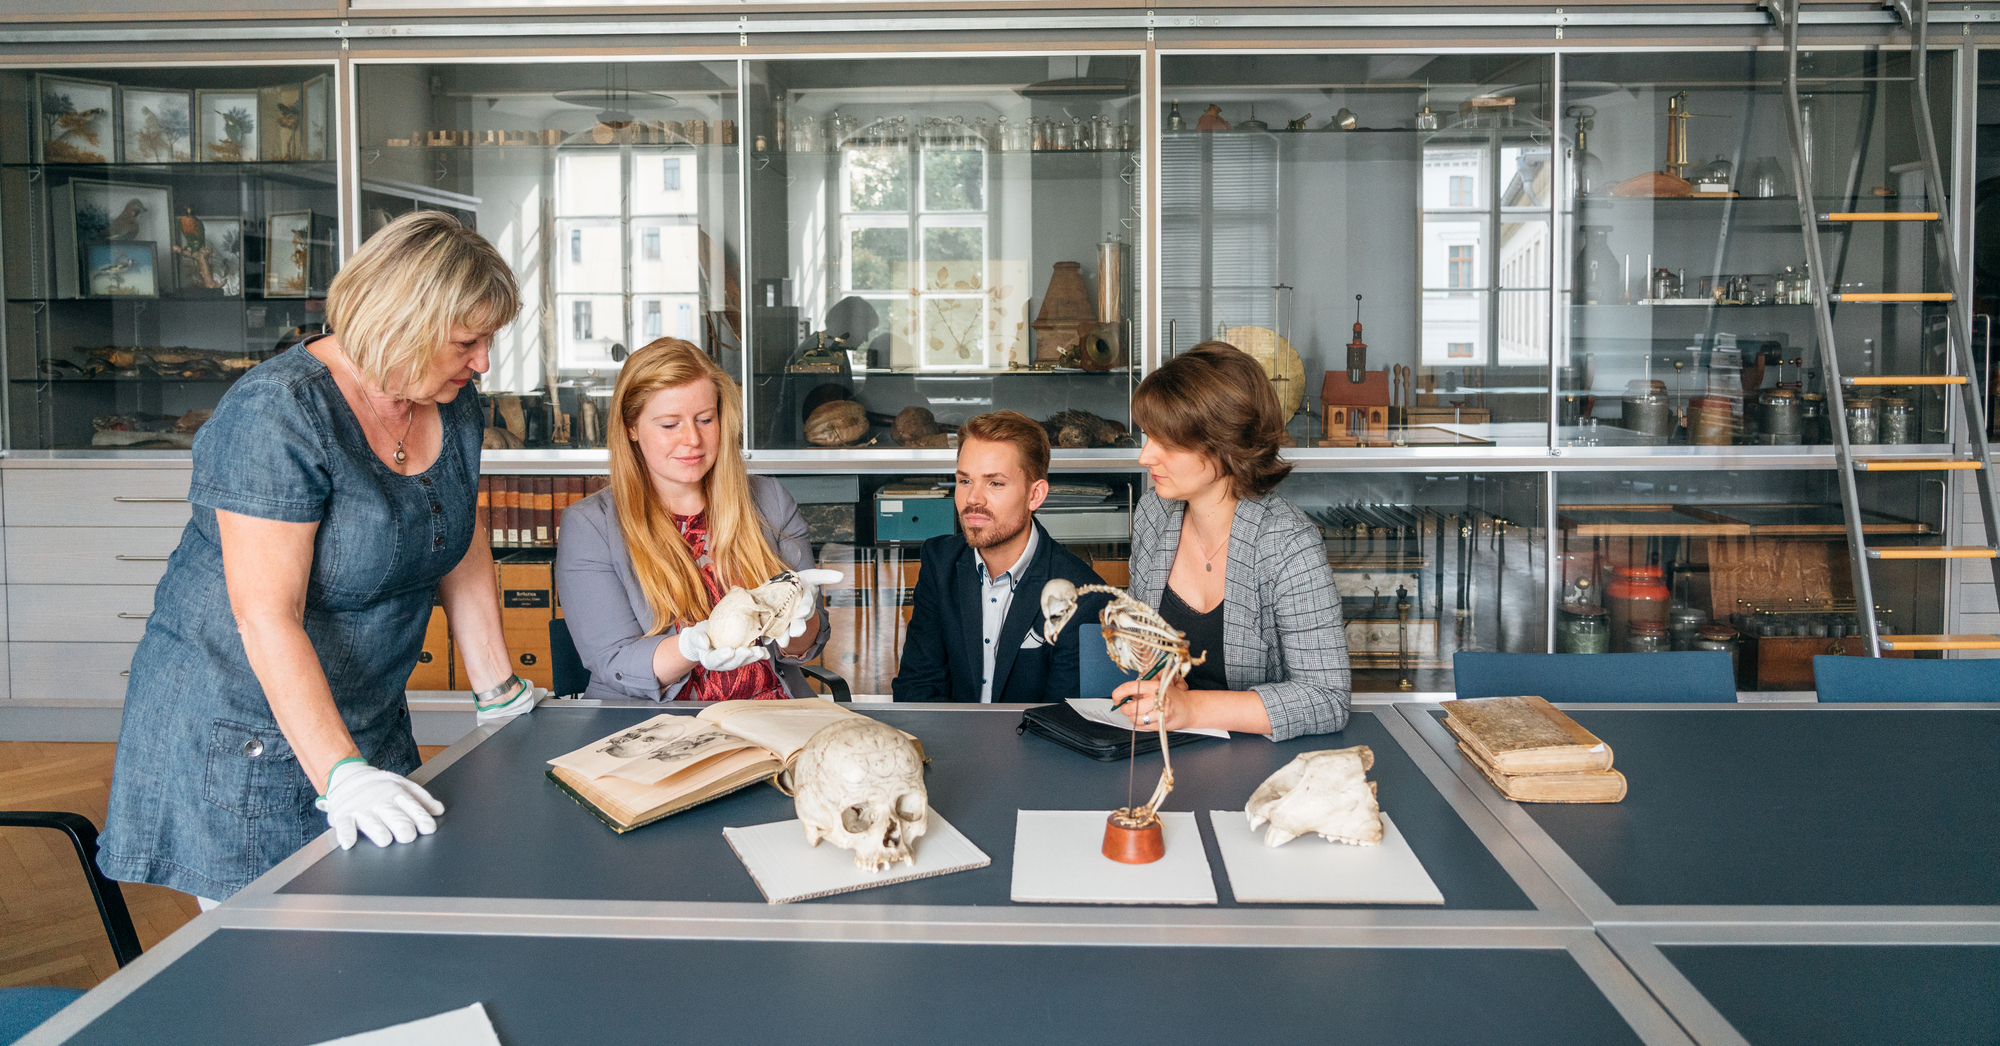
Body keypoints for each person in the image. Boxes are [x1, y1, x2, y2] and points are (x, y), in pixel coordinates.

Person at [99, 211, 539, 906]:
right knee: (277, 971)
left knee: (388, 926)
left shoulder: (453, 403)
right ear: (401, 323)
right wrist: (341, 774)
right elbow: (266, 616)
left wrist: (498, 692)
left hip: (366, 706)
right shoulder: (277, 414)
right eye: (467, 341)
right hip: (242, 727)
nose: (483, 361)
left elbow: (456, 533)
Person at [556, 338, 837, 701]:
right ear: (631, 428)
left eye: (705, 419)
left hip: (774, 718)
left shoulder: (770, 501)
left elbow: (805, 647)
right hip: (655, 732)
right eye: (670, 425)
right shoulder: (590, 527)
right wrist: (692, 647)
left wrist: (803, 616)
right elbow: (615, 660)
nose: (693, 439)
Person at [1114, 341, 1351, 740]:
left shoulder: (1288, 544)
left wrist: (1191, 709)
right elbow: (1147, 640)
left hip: (1263, 764)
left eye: (1167, 443)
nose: (1145, 457)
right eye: (1147, 437)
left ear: (1226, 444)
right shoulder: (1153, 513)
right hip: (1172, 748)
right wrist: (1162, 680)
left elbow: (1327, 698)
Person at [894, 411, 1107, 703]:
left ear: (1035, 495)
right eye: (965, 481)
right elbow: (917, 686)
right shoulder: (939, 562)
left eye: (995, 483)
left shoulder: (1083, 595)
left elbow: (1066, 723)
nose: (973, 499)